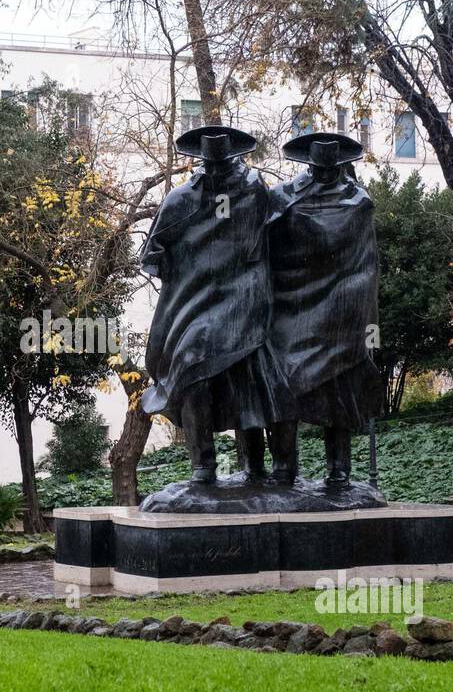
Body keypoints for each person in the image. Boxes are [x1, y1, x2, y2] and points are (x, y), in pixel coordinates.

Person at [140, 125, 286, 484]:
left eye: (224, 161)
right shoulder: (181, 199)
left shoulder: (253, 189)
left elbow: (277, 240)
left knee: (248, 373)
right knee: (191, 363)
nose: (218, 168)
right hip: (199, 301)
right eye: (211, 162)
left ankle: (255, 466)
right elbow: (154, 254)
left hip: (246, 297)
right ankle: (203, 465)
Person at [267, 132, 384, 490]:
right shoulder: (283, 198)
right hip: (292, 305)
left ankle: (340, 471)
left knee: (340, 390)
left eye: (332, 169)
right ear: (308, 164)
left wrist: (362, 313)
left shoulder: (358, 201)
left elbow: (368, 262)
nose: (326, 174)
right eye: (320, 169)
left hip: (341, 311)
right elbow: (263, 250)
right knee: (284, 384)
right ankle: (284, 469)